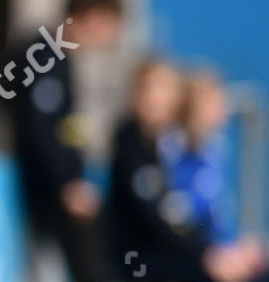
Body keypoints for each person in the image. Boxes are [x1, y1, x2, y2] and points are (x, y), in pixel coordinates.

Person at [10, 0, 125, 282]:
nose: (109, 37)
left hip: (57, 190)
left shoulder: (61, 59)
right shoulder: (42, 56)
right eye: (108, 25)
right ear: (89, 17)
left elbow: (65, 129)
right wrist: (66, 185)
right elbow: (40, 128)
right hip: (45, 192)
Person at [109, 60, 258, 282]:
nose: (155, 99)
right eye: (148, 89)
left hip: (181, 254)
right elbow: (162, 221)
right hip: (143, 260)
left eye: (164, 90)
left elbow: (207, 218)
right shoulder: (133, 148)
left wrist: (232, 248)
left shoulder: (188, 147)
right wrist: (208, 255)